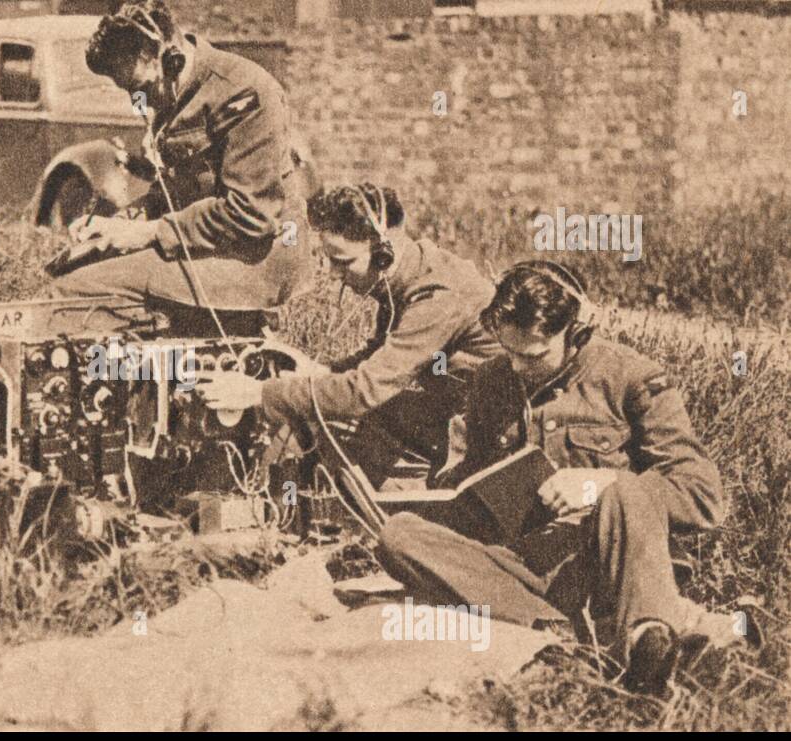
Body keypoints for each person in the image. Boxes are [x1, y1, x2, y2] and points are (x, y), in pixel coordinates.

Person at [374, 261, 756, 695]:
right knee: (399, 535)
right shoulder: (490, 380)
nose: (517, 368)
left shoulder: (630, 376)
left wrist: (597, 486)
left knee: (625, 490)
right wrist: (452, 491)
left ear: (577, 335)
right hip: (523, 566)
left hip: (610, 563)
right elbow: (468, 482)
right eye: (510, 352)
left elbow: (703, 495)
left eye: (533, 356)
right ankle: (574, 640)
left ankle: (644, 637)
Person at [197, 183, 502, 490]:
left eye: (343, 262)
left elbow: (365, 391)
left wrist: (261, 394)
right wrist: (324, 372)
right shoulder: (409, 272)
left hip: (482, 432)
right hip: (446, 406)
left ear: (384, 252)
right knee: (326, 414)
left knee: (338, 427)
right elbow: (380, 355)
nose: (333, 274)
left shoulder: (436, 296)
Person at [42, 0, 309, 336]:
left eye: (140, 88)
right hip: (207, 248)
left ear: (171, 58)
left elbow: (251, 214)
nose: (139, 101)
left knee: (74, 291)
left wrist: (147, 232)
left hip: (256, 262)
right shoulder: (172, 91)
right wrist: (125, 221)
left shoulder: (243, 92)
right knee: (77, 267)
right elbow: (178, 188)